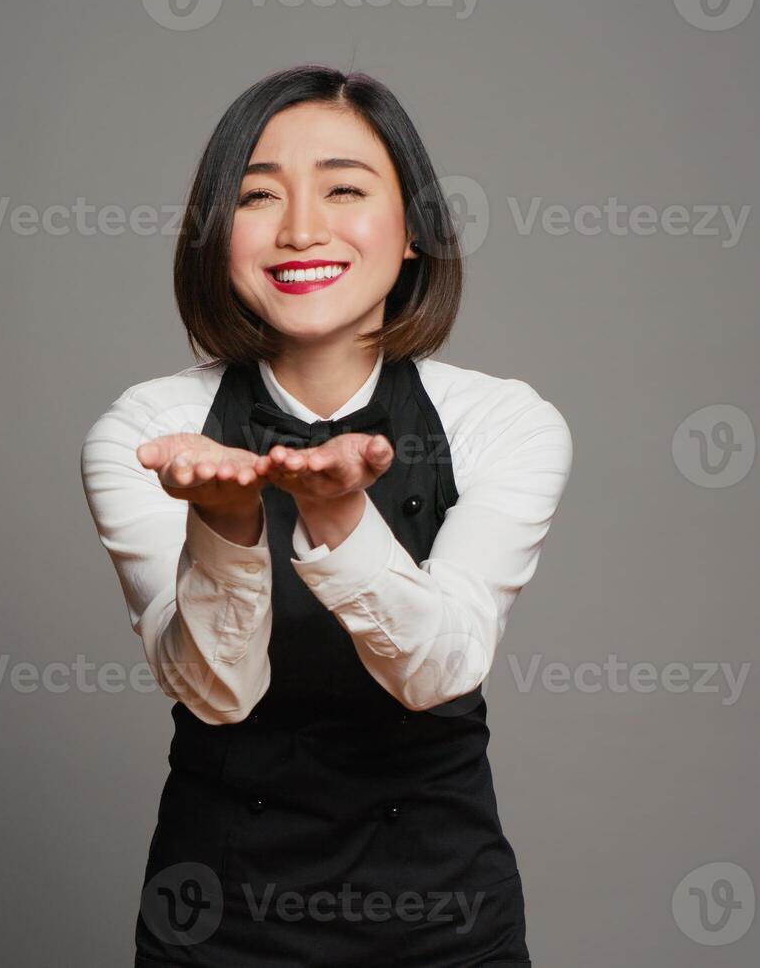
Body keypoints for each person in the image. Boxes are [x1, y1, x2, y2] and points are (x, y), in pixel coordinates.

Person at [79, 65, 573, 966]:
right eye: (257, 197)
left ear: (415, 228)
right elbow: (213, 692)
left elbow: (439, 669)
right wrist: (227, 525)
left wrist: (336, 517)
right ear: (214, 237)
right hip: (216, 916)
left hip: (444, 919)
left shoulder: (504, 423)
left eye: (343, 188)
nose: (301, 228)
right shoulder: (149, 429)